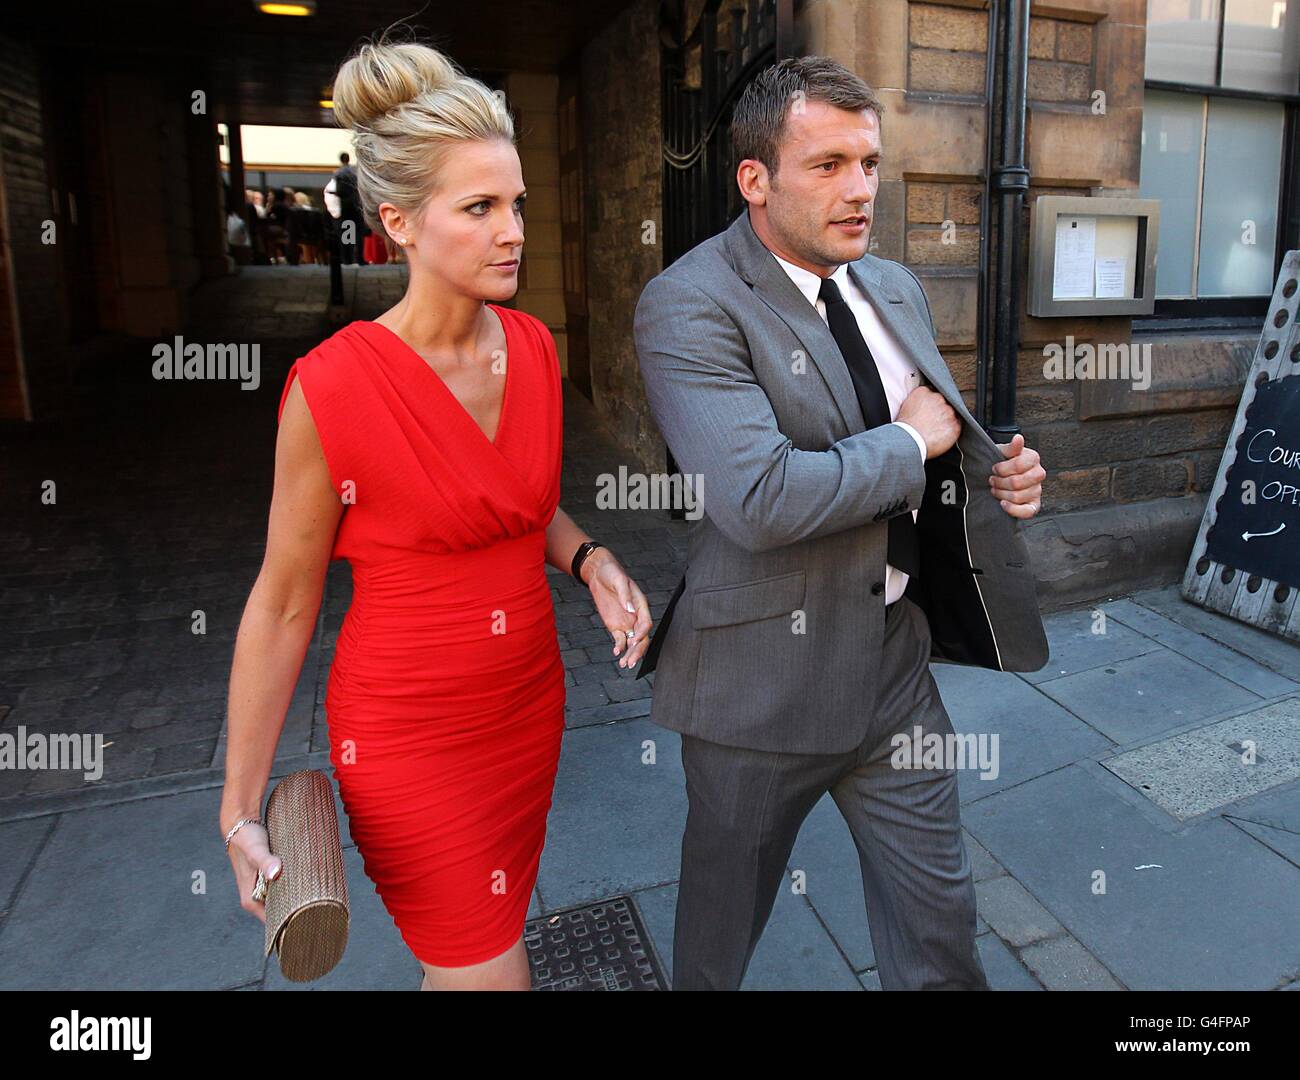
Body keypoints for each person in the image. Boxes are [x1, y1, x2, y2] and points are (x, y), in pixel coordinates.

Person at [219, 36, 654, 991]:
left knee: (462, 964)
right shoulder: (330, 391)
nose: (513, 231)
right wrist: (239, 803)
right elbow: (284, 603)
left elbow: (515, 509)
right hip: (407, 736)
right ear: (399, 223)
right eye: (481, 208)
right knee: (489, 974)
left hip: (529, 710)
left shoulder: (534, 350)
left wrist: (591, 560)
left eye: (518, 205)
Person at [633, 56, 1050, 991]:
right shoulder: (689, 305)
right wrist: (909, 446)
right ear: (756, 180)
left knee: (940, 935)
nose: (860, 190)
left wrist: (998, 475)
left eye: (868, 163)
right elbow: (760, 497)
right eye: (827, 166)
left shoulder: (890, 285)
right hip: (755, 691)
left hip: (893, 665)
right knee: (714, 949)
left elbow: (939, 434)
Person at [334, 150, 366, 265]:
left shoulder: (339, 173)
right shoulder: (355, 172)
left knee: (347, 233)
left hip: (346, 206)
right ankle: (360, 258)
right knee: (358, 233)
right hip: (356, 204)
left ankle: (347, 259)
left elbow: (338, 190)